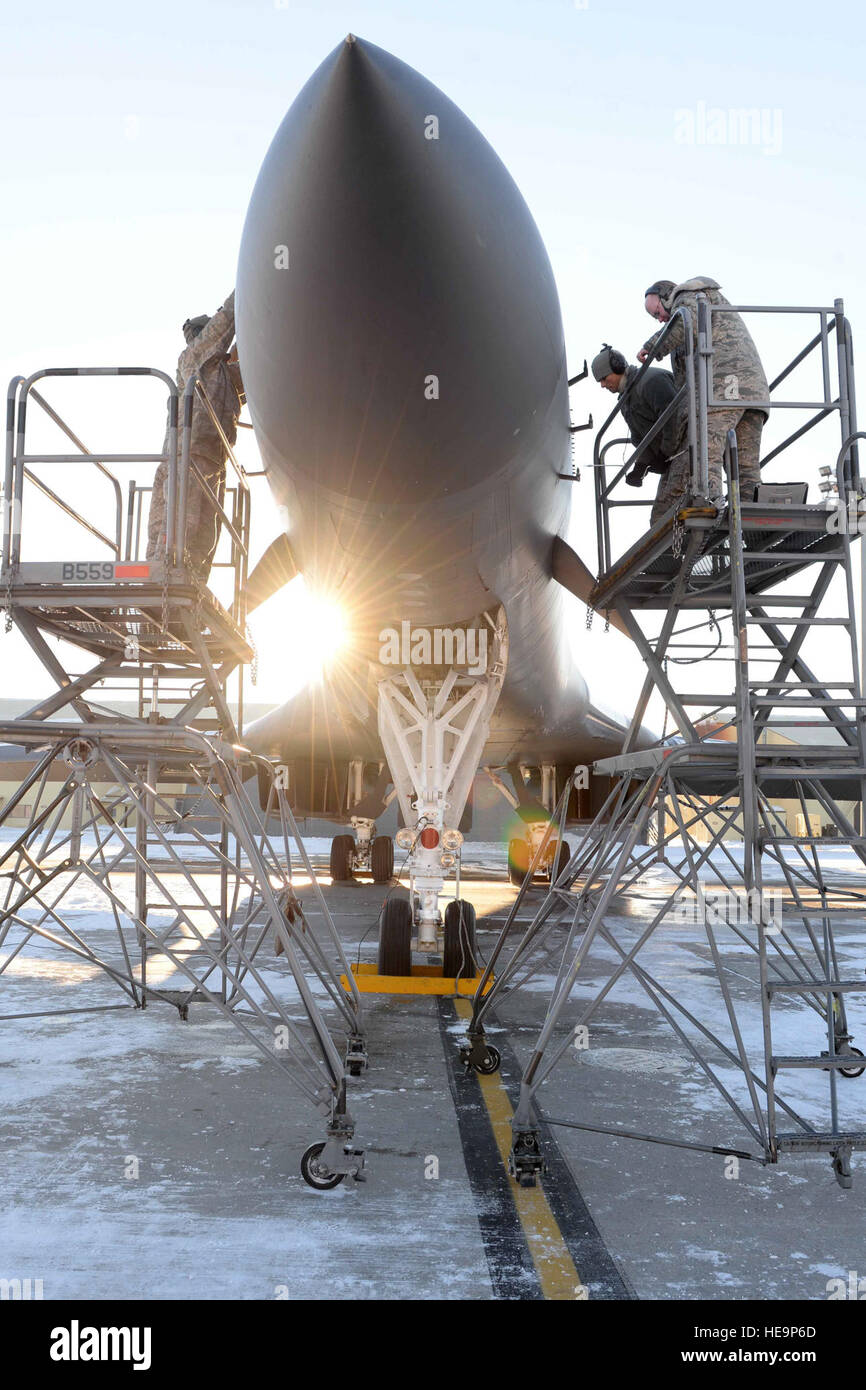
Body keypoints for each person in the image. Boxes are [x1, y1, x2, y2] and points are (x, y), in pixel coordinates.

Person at [637, 277, 769, 521]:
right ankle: (756, 527)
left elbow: (683, 324)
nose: (659, 319)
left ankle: (711, 510)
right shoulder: (703, 305)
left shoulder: (688, 297)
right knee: (745, 468)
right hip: (752, 393)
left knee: (706, 453)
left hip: (724, 387)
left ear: (667, 296)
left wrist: (653, 345)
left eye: (656, 311)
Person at [147, 290, 243, 579]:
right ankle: (158, 593)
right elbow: (227, 318)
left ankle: (192, 595)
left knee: (203, 540)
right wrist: (249, 285)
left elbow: (256, 369)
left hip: (211, 463)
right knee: (177, 536)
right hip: (186, 458)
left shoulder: (222, 375)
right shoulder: (194, 355)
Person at [591, 344, 677, 493]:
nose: (603, 385)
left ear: (617, 368)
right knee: (660, 514)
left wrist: (664, 453)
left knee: (682, 506)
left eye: (604, 378)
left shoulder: (651, 381)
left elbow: (674, 419)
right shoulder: (625, 401)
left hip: (688, 453)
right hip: (670, 460)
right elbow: (642, 438)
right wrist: (641, 466)